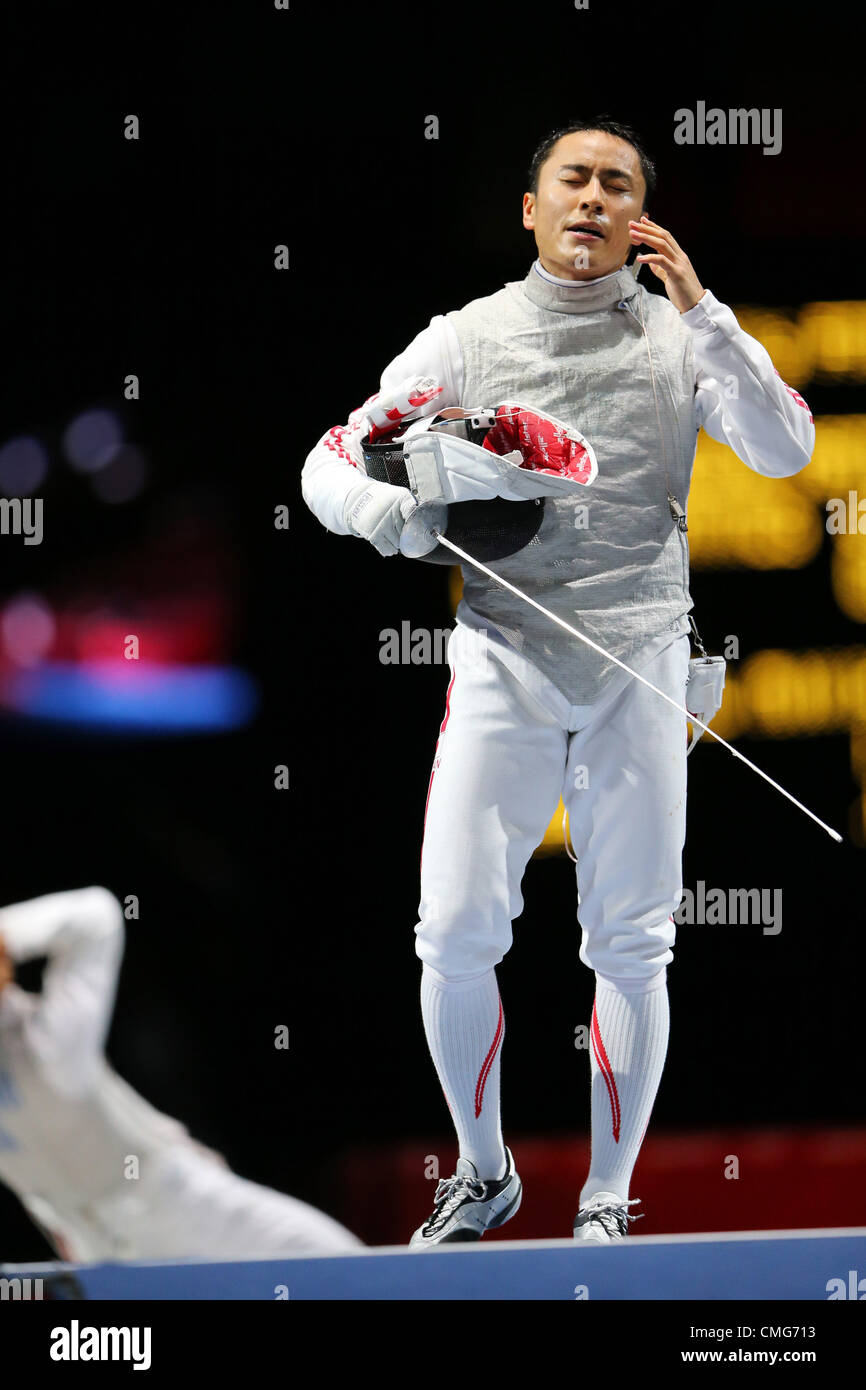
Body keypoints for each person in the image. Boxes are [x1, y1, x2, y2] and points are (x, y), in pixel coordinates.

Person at [300, 117, 814, 1246]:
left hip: (643, 654)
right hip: (503, 653)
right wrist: (393, 516)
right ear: (528, 209)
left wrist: (711, 318)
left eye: (616, 184)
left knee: (632, 937)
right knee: (451, 929)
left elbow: (782, 450)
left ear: (641, 217)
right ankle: (483, 1173)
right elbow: (328, 459)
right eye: (570, 180)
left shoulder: (682, 337)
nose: (591, 197)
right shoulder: (466, 338)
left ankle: (603, 1198)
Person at [0, 887, 361, 1261]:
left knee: (344, 1266)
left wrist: (6, 933)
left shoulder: (45, 1042)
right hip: (92, 1246)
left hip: (170, 1201)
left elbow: (95, 915)